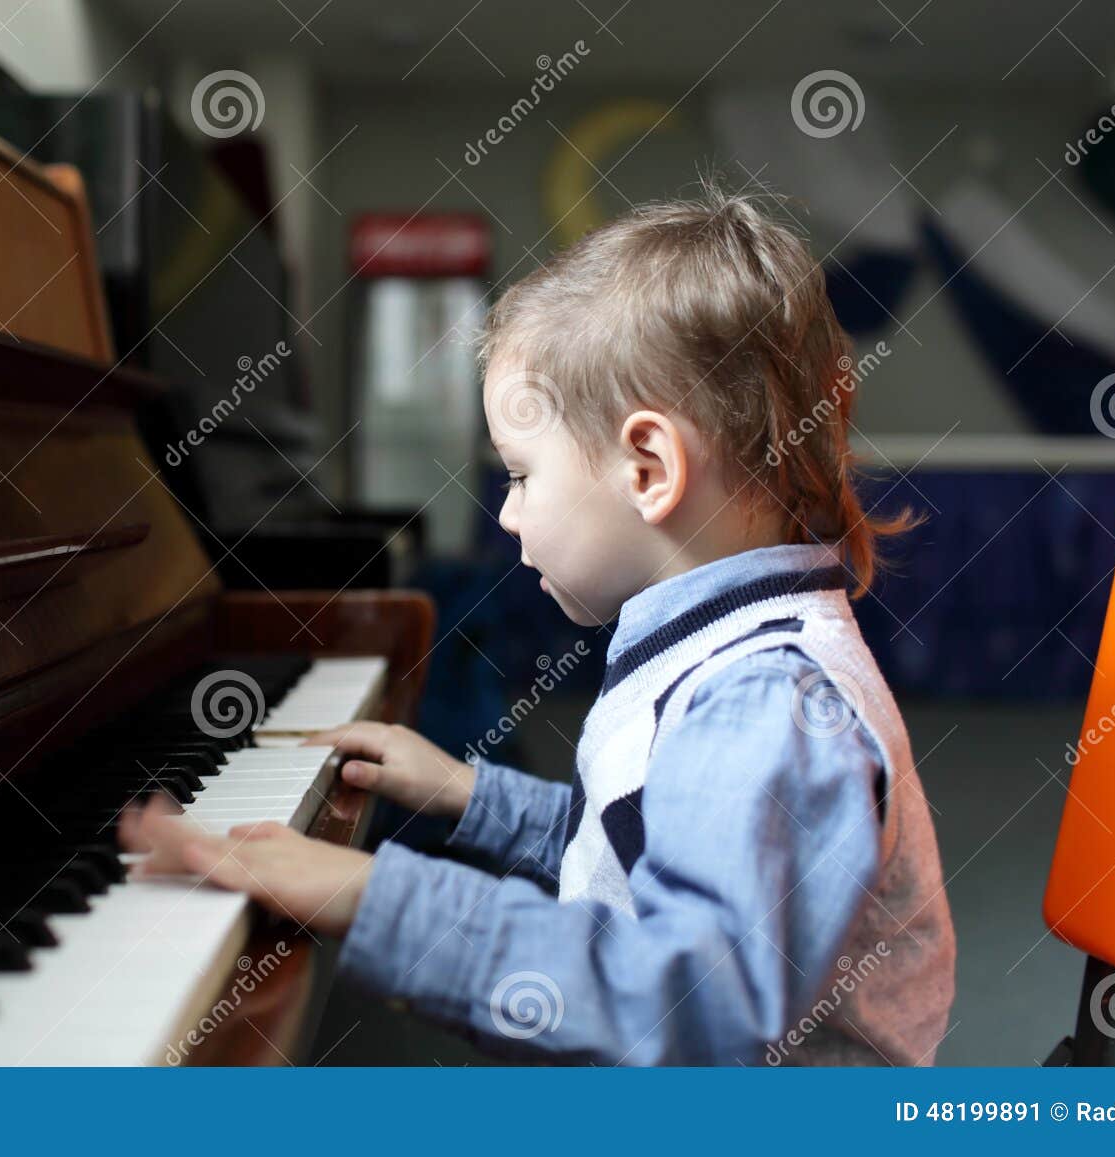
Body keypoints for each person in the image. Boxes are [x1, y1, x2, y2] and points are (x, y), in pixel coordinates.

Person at [121, 179, 957, 1066]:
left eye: (521, 475)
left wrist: (377, 894)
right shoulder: (731, 651)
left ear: (648, 468)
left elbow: (695, 1004)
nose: (509, 514)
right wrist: (468, 793)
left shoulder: (764, 701)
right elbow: (636, 851)